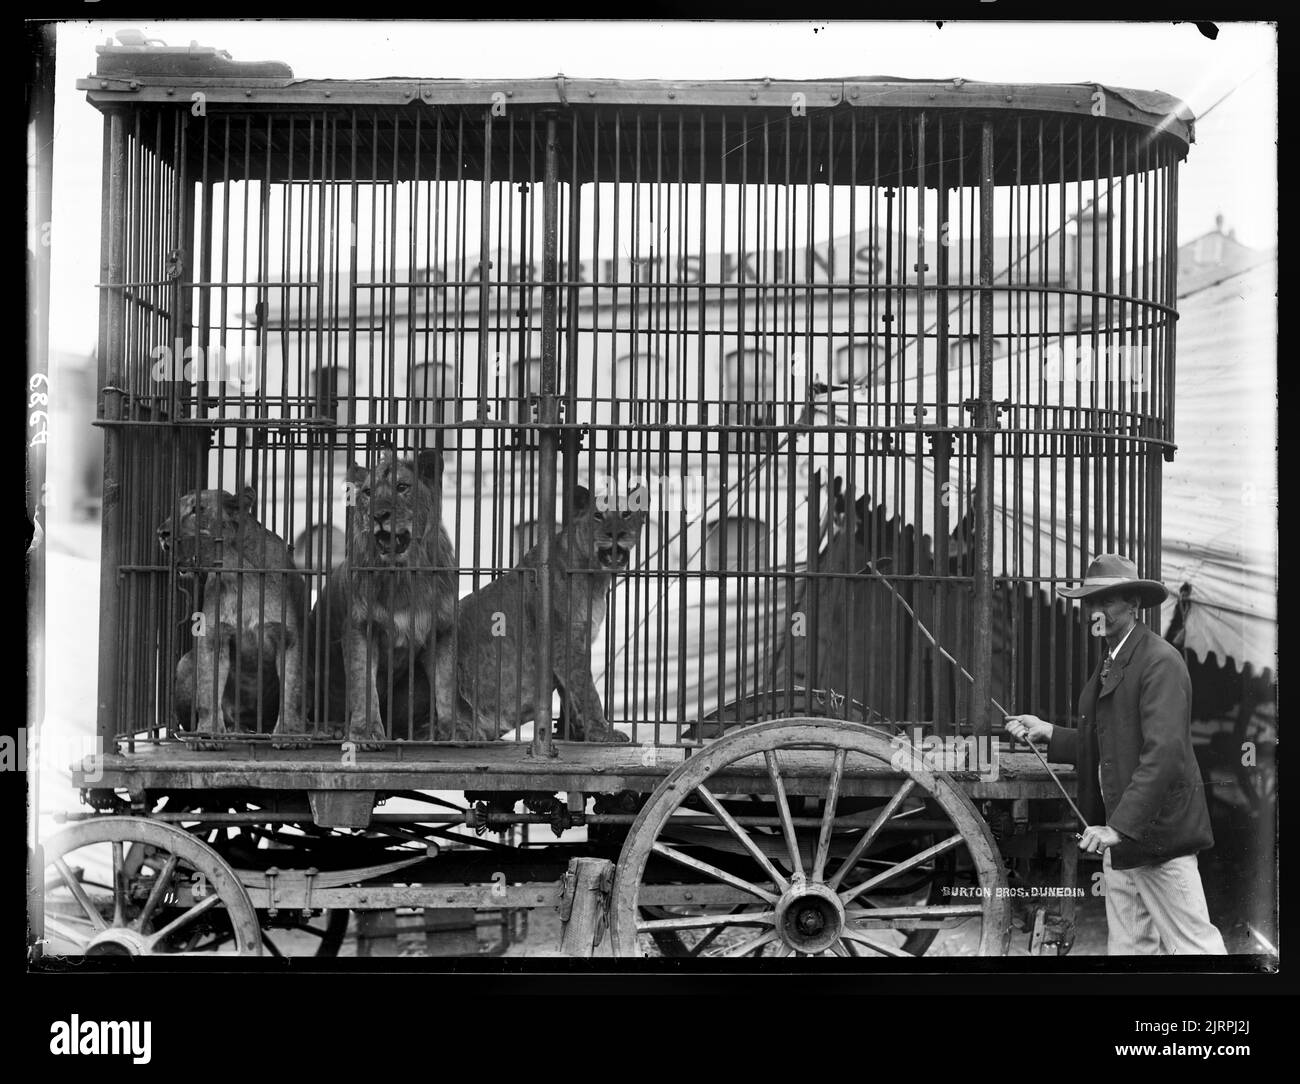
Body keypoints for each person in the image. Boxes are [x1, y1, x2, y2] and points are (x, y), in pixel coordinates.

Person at [1005, 553, 1227, 955]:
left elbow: (1164, 754)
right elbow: (1110, 741)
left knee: (1196, 950)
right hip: (1123, 840)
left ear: (1134, 604)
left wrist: (1119, 829)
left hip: (1158, 839)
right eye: (1091, 601)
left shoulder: (1159, 661)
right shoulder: (1115, 658)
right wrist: (1049, 731)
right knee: (1130, 950)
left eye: (1107, 600)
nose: (1096, 610)